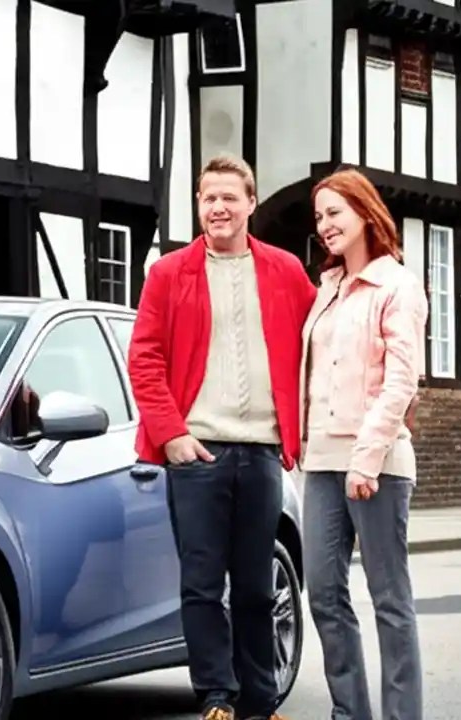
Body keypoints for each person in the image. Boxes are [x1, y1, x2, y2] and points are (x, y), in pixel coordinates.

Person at [127, 153, 316, 720]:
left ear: (251, 203)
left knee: (257, 587)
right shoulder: (169, 273)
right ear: (199, 205)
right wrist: (173, 436)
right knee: (202, 585)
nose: (218, 208)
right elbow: (144, 359)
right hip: (197, 452)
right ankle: (217, 695)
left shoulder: (285, 271)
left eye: (229, 197)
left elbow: (320, 342)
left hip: (261, 450)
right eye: (209, 198)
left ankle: (261, 700)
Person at [300, 168, 426, 720]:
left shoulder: (397, 285)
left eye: (335, 212)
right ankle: (350, 712)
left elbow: (401, 380)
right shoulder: (327, 289)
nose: (325, 225)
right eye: (320, 216)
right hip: (321, 460)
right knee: (323, 595)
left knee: (390, 600)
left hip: (376, 462)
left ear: (364, 212)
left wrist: (367, 458)